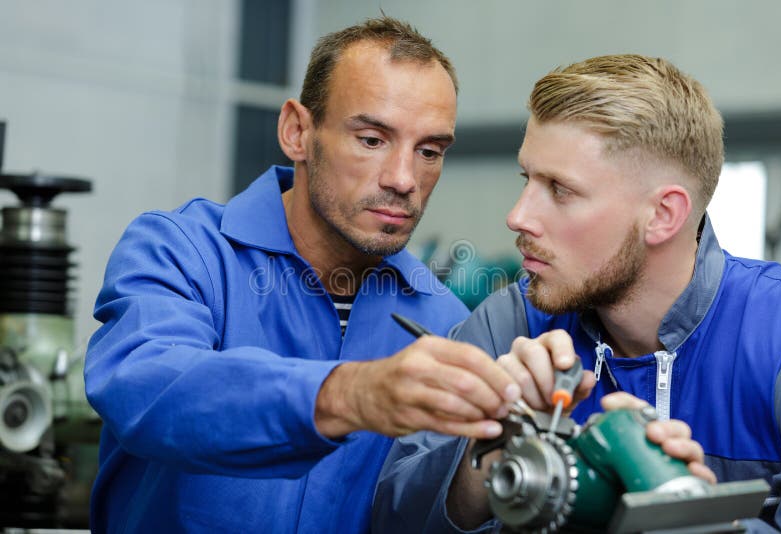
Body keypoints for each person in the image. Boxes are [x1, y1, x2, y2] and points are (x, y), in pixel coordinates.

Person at [83, 17, 531, 533]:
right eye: (371, 139)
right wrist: (351, 394)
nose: (404, 179)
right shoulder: (181, 252)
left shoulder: (443, 320)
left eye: (429, 151)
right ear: (297, 132)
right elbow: (145, 388)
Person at [372, 54, 781, 533]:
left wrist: (689, 517)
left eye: (560, 189)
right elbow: (393, 521)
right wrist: (492, 450)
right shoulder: (510, 325)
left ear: (662, 215)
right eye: (528, 179)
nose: (517, 216)